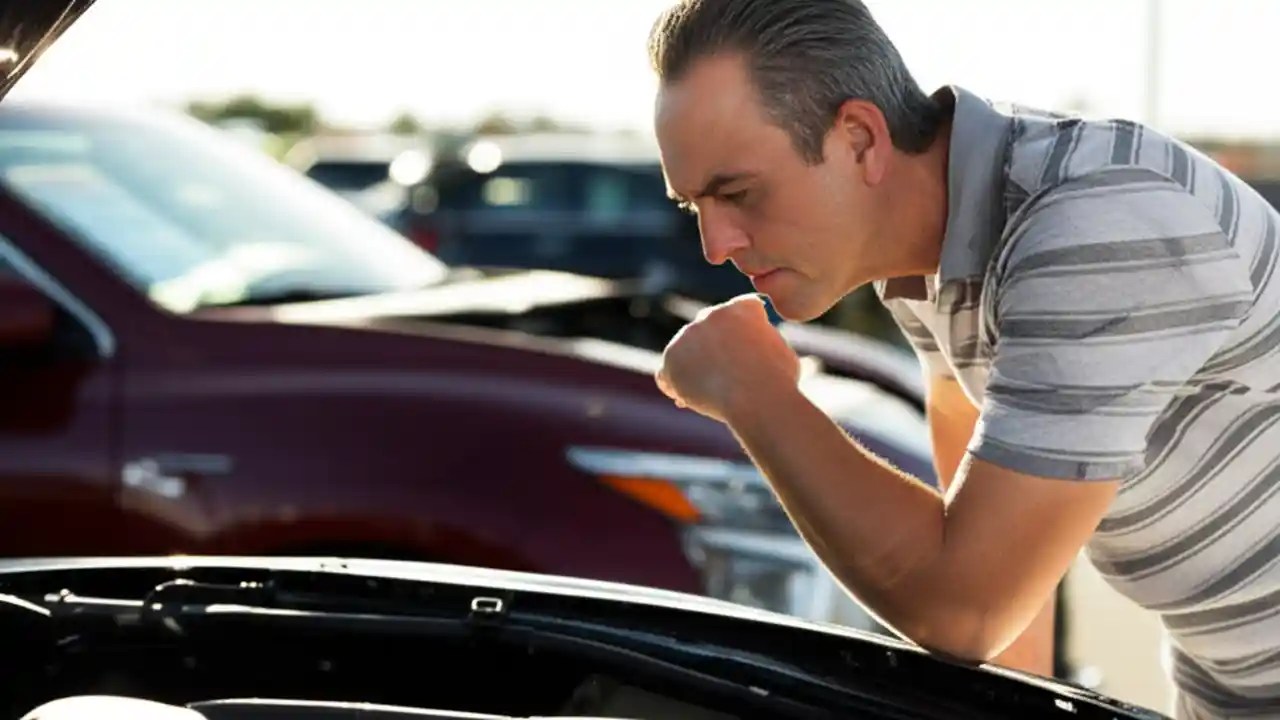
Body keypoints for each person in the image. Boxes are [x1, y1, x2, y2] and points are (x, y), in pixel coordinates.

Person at [645, 1, 1280, 718]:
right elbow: (998, 600)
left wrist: (754, 394)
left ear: (860, 139)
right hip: (1227, 688)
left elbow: (963, 605)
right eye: (693, 206)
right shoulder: (932, 257)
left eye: (737, 192)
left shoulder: (1097, 222)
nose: (715, 244)